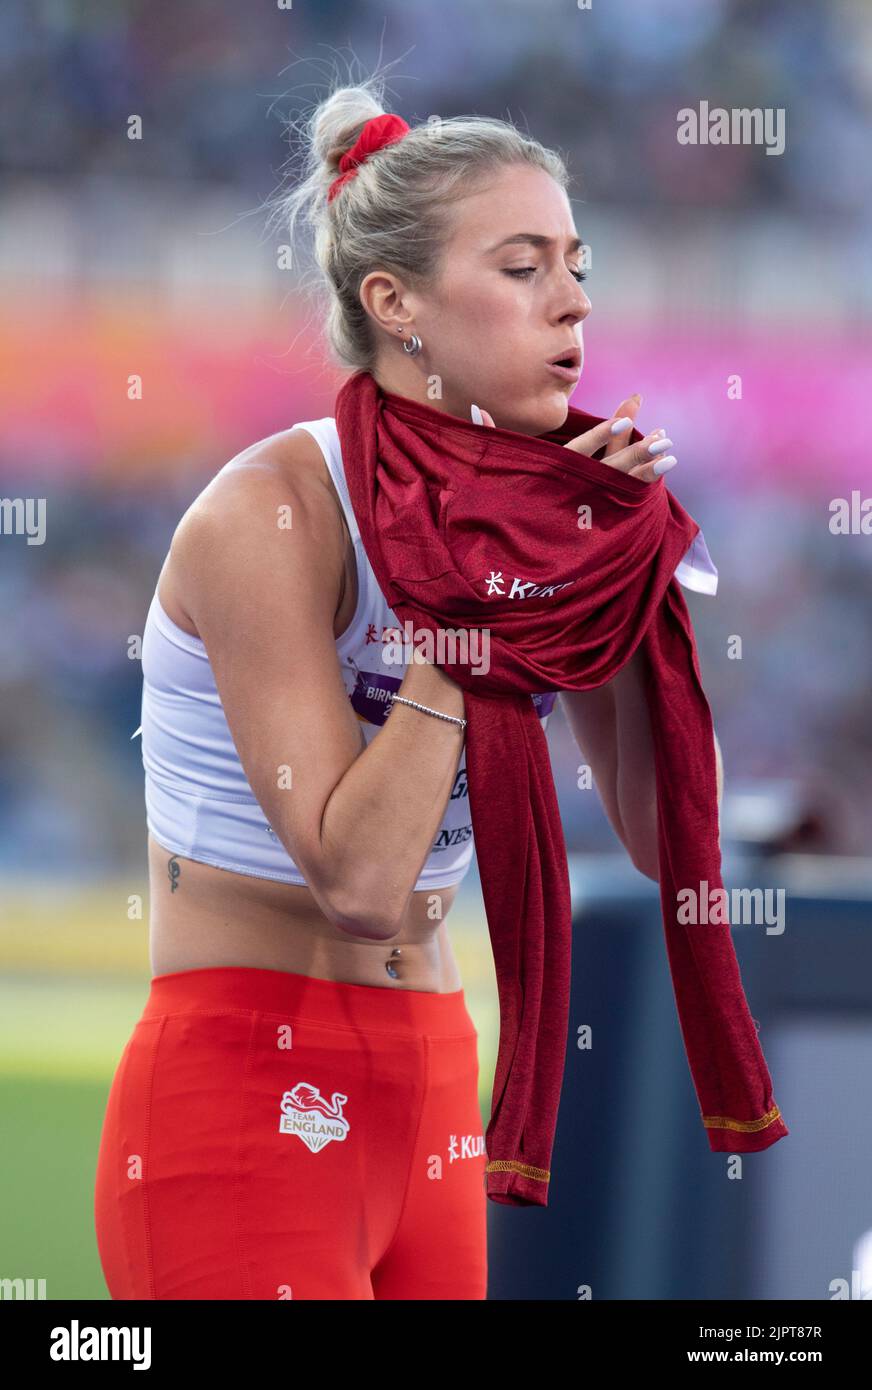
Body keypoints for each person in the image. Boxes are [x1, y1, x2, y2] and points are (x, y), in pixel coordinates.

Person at [93, 72, 721, 1301]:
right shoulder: (270, 512)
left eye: (577, 264)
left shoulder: (537, 521)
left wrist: (601, 565)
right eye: (524, 265)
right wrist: (485, 601)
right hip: (244, 1076)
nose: (574, 299)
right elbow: (360, 881)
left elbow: (659, 837)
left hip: (433, 1066)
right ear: (397, 305)